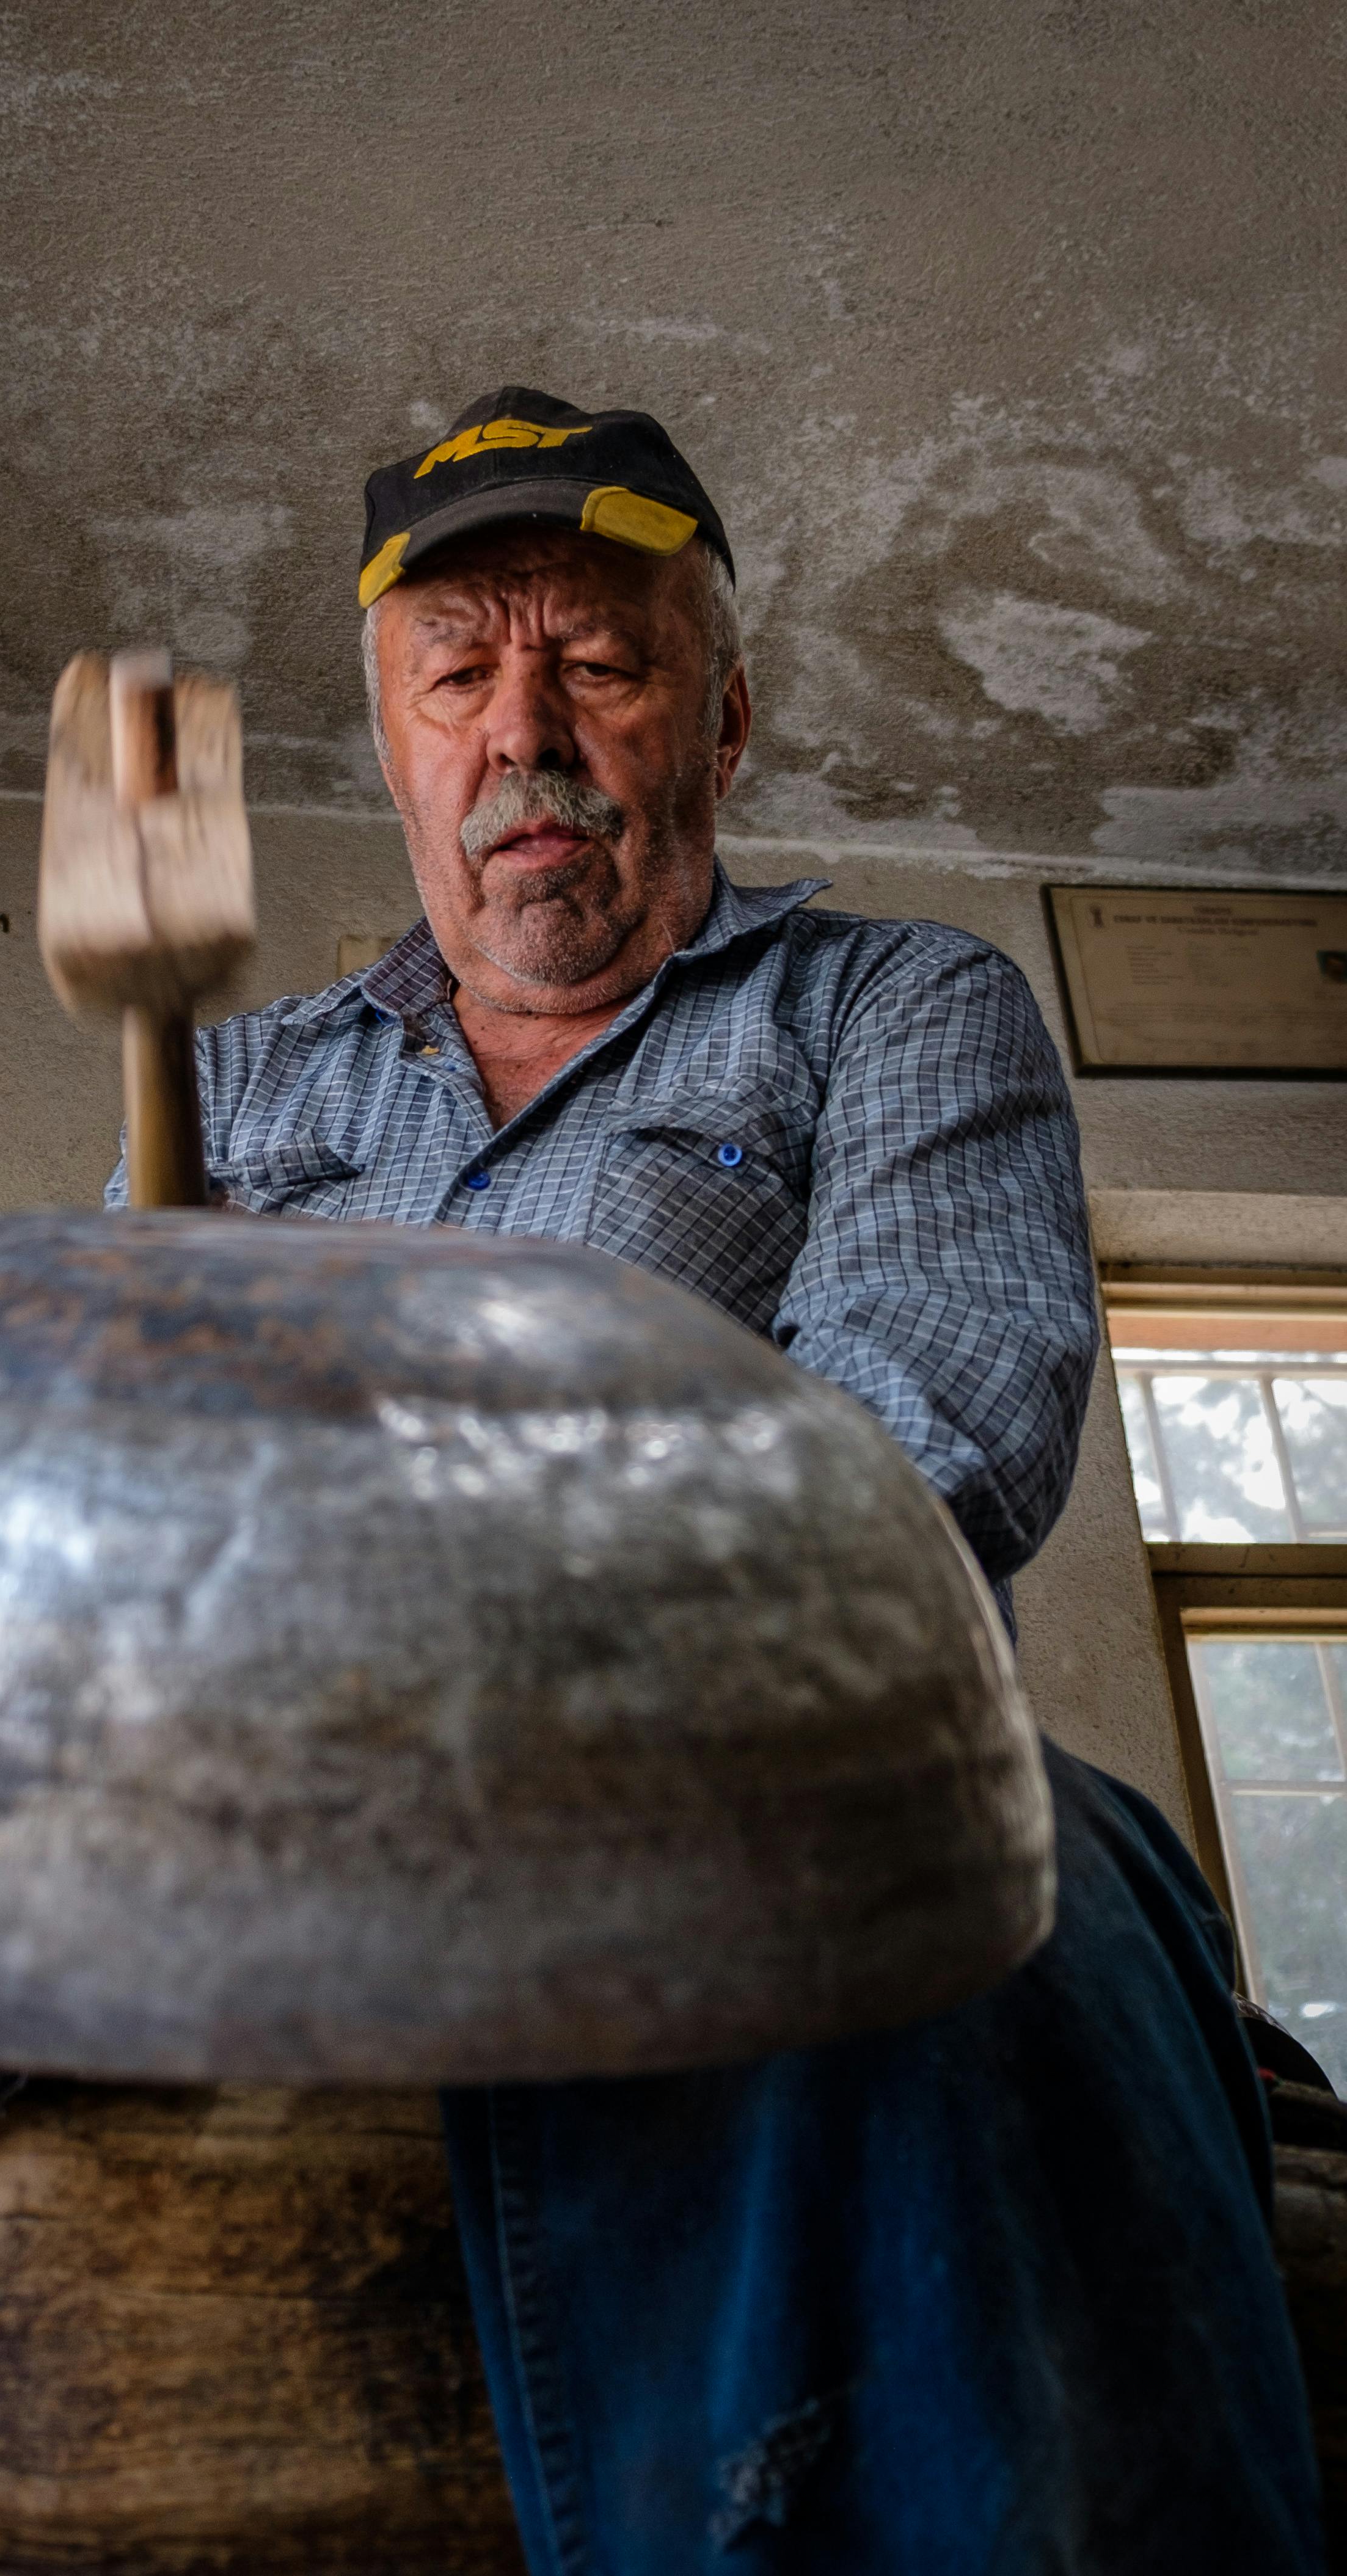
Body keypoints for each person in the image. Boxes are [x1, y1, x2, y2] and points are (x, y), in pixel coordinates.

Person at [101, 387, 1326, 2571]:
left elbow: (909, 1455)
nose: (524, 732)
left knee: (1021, 1870)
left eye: (599, 659)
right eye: (458, 676)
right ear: (392, 756)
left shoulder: (888, 1010)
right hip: (218, 1761)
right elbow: (77, 1468)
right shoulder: (227, 1076)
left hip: (697, 1758)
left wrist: (440, 1611)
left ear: (725, 714)